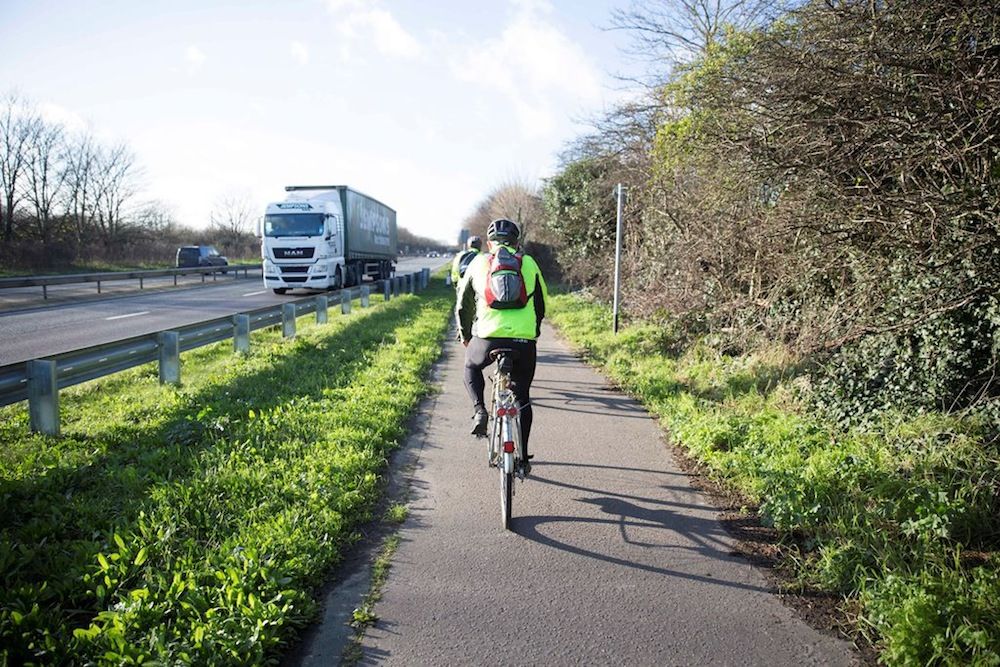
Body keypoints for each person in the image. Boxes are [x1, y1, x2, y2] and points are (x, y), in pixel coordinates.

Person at [456, 219, 547, 473]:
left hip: (487, 338)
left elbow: (463, 305)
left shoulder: (478, 262)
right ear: (518, 242)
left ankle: (480, 411)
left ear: (489, 243)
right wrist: (533, 331)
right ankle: (524, 459)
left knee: (470, 365)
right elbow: (541, 304)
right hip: (523, 341)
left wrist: (465, 336)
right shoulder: (528, 263)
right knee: (522, 397)